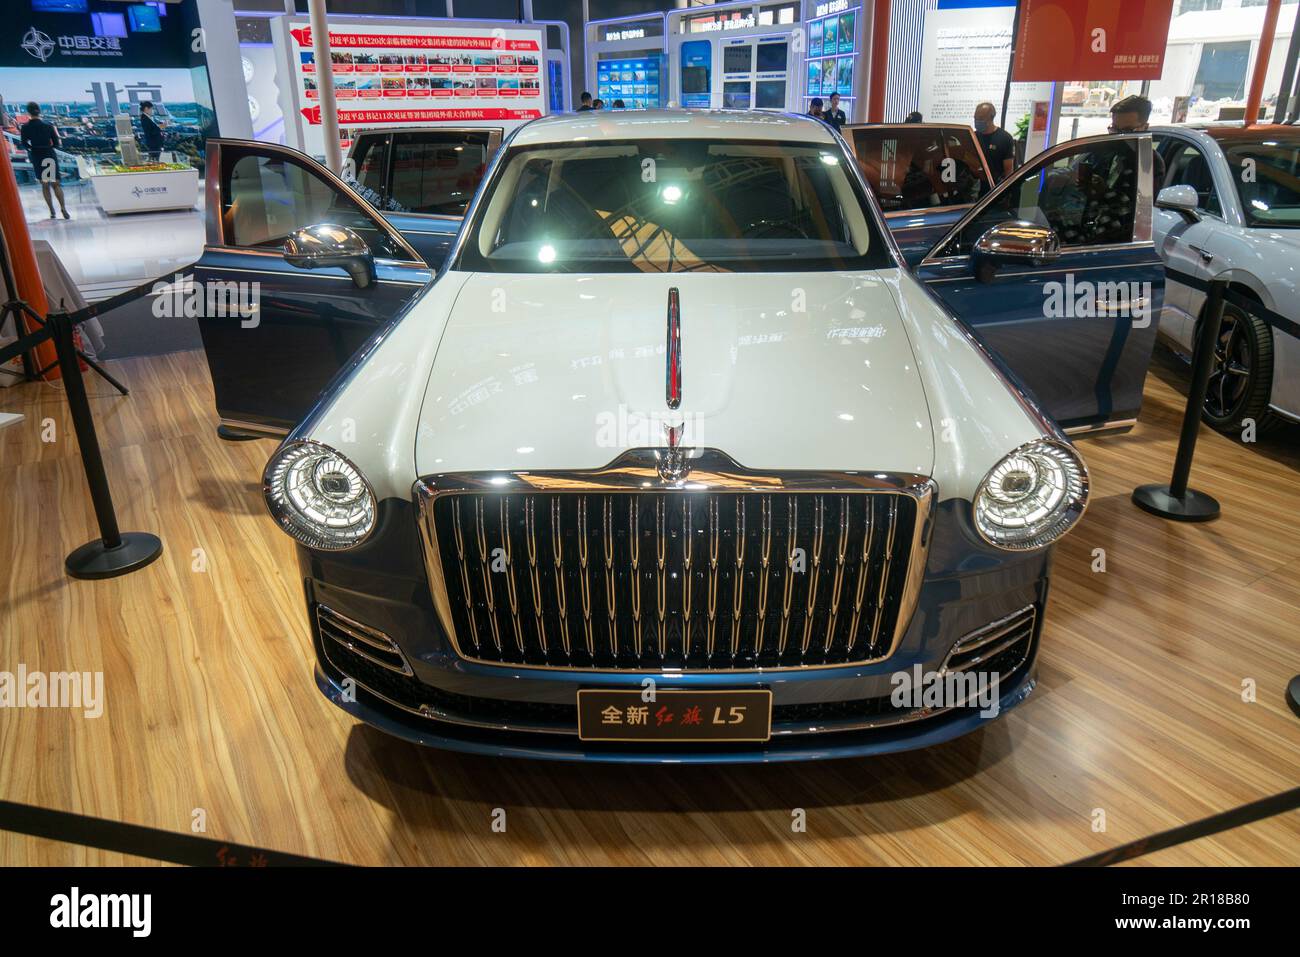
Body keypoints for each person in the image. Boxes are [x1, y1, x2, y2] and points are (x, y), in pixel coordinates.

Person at [19, 102, 68, 220]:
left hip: (37, 156)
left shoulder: (25, 127)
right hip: (48, 155)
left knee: (45, 184)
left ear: (28, 112)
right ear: (39, 111)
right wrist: (48, 147)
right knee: (55, 184)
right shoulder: (48, 126)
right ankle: (63, 208)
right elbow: (56, 143)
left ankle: (52, 211)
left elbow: (24, 144)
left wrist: (32, 149)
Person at [1109, 93, 1165, 186]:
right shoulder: (1104, 150)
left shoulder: (1149, 163)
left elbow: (1141, 199)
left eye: (1127, 130)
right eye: (1114, 129)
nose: (1118, 136)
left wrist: (1102, 191)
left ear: (1145, 127)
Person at [973, 102, 1015, 183]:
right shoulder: (973, 137)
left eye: (981, 118)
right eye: (975, 118)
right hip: (976, 187)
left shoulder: (1005, 138)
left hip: (996, 187)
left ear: (991, 117)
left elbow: (1009, 170)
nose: (977, 121)